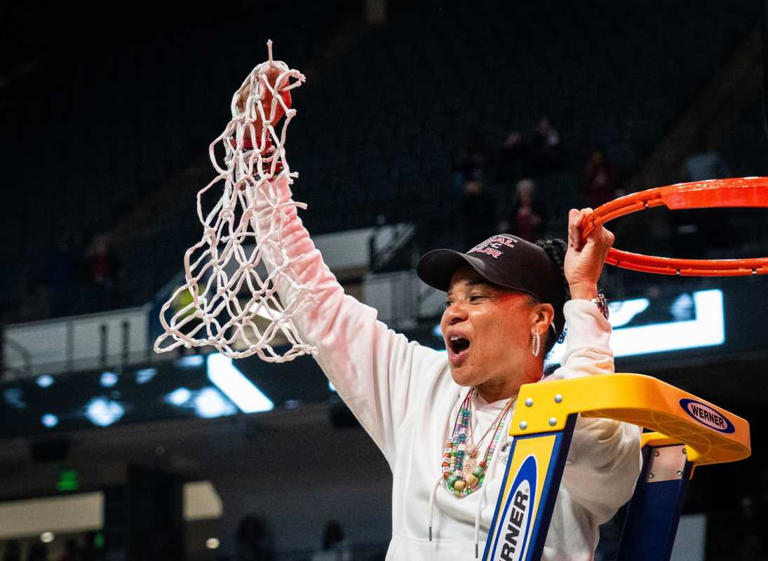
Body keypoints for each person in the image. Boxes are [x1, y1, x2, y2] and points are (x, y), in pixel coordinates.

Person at [240, 73, 642, 561]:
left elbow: (589, 424)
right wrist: (263, 174)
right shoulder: (418, 385)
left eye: (476, 298)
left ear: (539, 319)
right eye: (451, 299)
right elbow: (321, 306)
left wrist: (582, 293)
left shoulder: (604, 425)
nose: (453, 313)